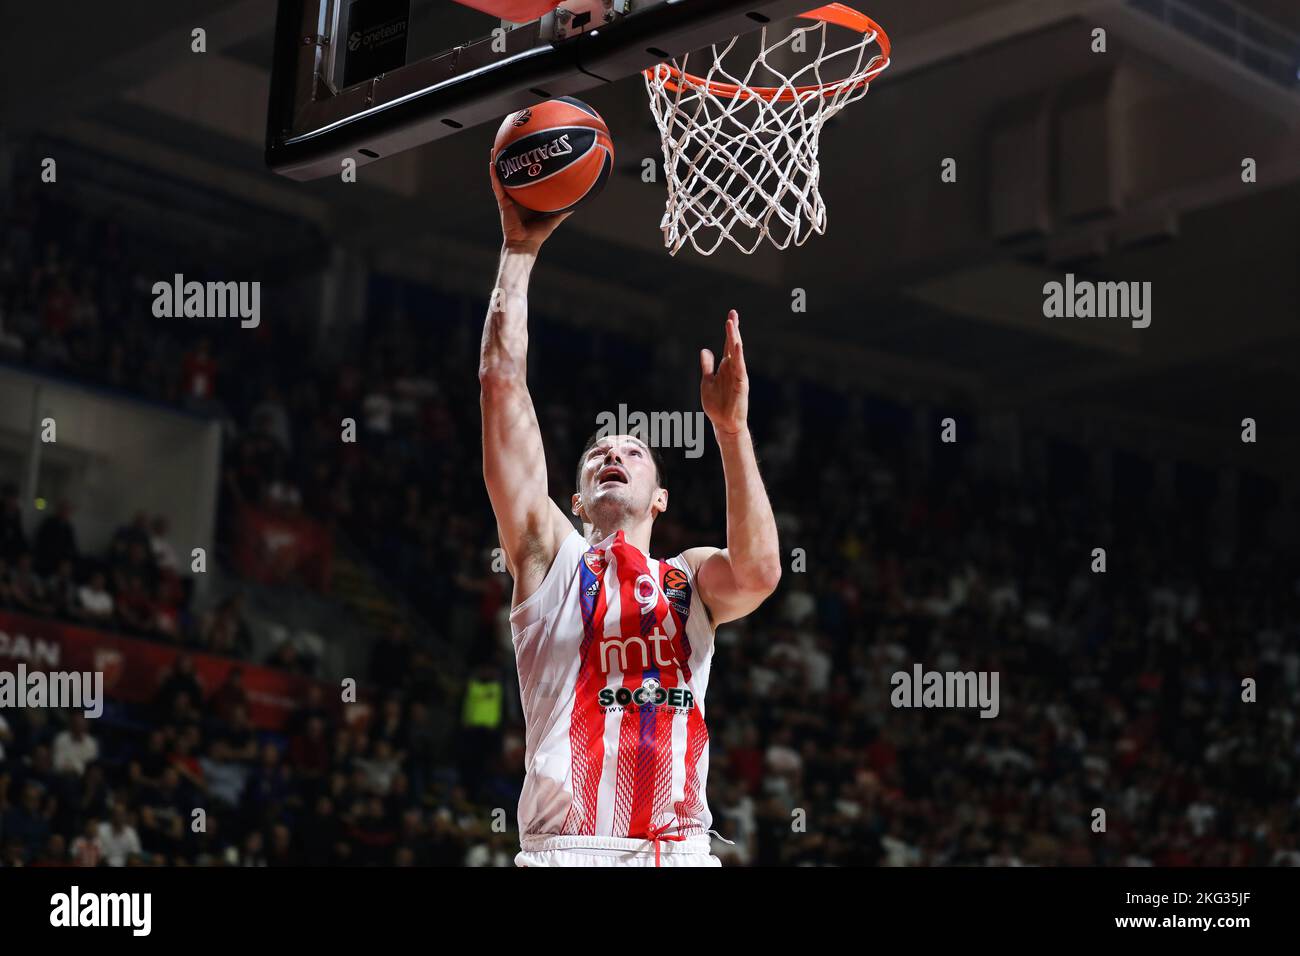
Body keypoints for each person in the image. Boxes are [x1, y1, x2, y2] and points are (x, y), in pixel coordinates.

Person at [479, 160, 781, 867]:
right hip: (567, 850)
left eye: (634, 452)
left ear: (662, 498)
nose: (614, 453)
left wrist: (732, 432)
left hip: (674, 852)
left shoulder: (691, 579)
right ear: (576, 499)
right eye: (598, 452)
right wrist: (517, 254)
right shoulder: (548, 558)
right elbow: (500, 385)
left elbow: (761, 571)